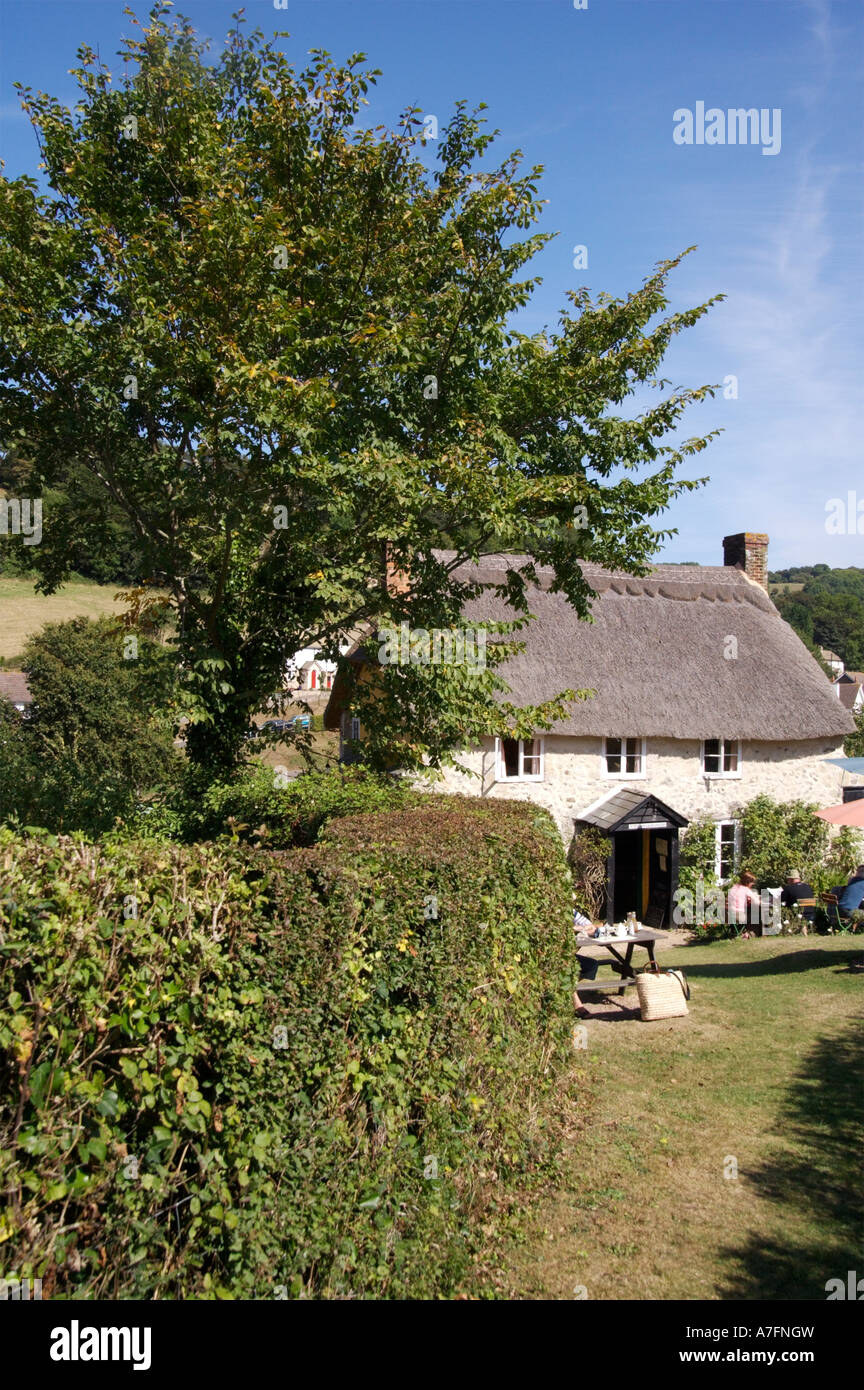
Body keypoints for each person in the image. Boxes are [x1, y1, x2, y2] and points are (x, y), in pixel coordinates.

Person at [727, 870, 761, 936]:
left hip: (729, 914)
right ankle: (751, 933)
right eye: (752, 883)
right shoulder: (746, 889)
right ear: (747, 882)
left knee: (751, 910)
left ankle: (745, 931)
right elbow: (757, 902)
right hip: (739, 916)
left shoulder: (733, 887)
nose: (753, 884)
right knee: (757, 911)